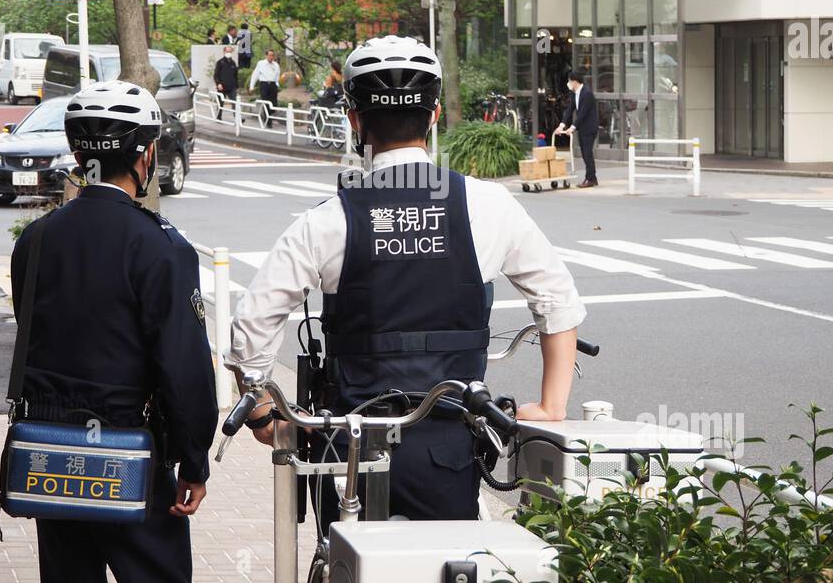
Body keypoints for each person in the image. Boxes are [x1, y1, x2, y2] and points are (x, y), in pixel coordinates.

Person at [228, 35, 586, 526]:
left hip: (349, 447)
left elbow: (252, 323)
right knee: (452, 581)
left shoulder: (329, 219)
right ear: (433, 115)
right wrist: (551, 404)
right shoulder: (488, 205)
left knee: (348, 577)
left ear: (354, 118)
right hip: (449, 447)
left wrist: (262, 411)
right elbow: (558, 300)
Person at [10, 80, 218, 583]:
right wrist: (193, 460)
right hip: (133, 457)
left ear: (79, 154)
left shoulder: (36, 240)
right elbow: (183, 367)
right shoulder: (161, 248)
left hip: (51, 454)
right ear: (146, 155)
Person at [553, 70, 599, 187]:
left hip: (589, 127)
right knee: (585, 153)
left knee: (587, 153)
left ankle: (590, 178)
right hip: (582, 128)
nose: (568, 83)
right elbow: (569, 110)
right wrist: (562, 125)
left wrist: (572, 128)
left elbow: (583, 113)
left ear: (574, 82)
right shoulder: (575, 94)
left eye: (569, 81)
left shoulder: (587, 93)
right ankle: (592, 178)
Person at [213, 44, 239, 121]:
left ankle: (237, 118)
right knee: (220, 103)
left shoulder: (233, 63)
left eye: (230, 51)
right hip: (222, 86)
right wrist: (218, 84)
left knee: (235, 102)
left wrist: (237, 86)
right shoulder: (220, 62)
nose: (229, 53)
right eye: (227, 51)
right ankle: (219, 116)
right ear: (224, 52)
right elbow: (216, 75)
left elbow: (235, 75)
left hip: (232, 87)